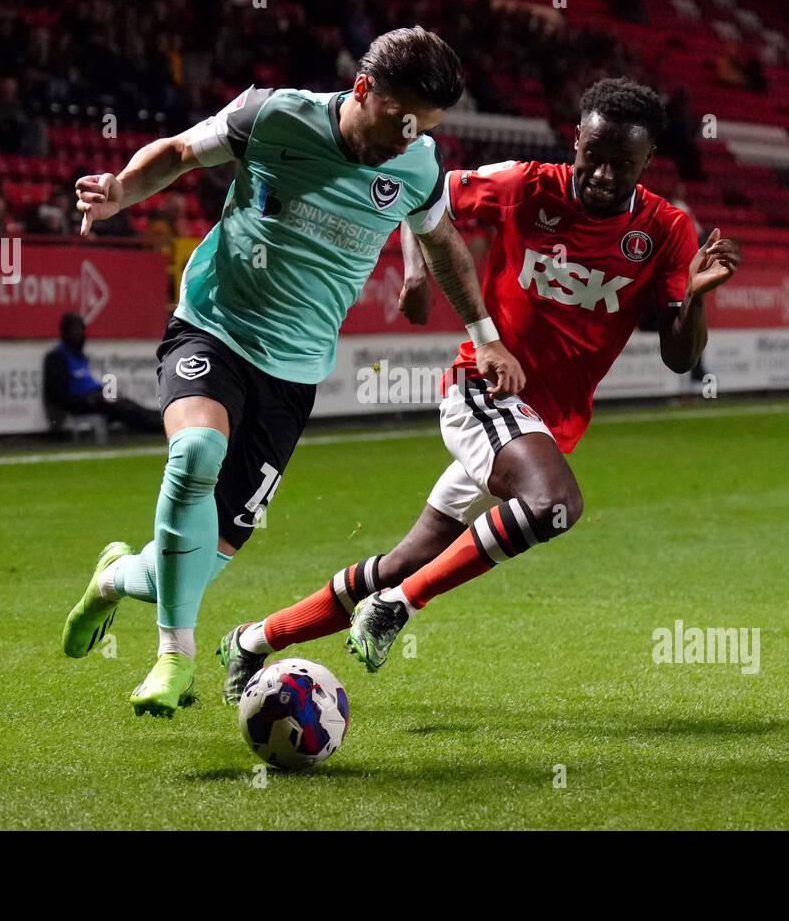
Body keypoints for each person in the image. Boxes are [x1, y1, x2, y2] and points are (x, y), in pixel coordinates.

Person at [199, 78, 741, 702]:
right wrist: (414, 272)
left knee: (405, 558)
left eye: (623, 164)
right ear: (577, 141)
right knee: (553, 503)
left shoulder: (666, 230)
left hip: (541, 425)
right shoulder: (524, 185)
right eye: (594, 156)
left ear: (648, 163)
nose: (602, 175)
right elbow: (420, 195)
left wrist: (695, 300)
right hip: (483, 392)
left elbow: (679, 357)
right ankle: (398, 607)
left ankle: (252, 640)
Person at [58, 27, 525, 719]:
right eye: (399, 120)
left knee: (175, 570)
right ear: (362, 89)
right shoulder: (275, 115)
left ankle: (112, 580)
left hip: (293, 372)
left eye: (421, 128)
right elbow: (183, 151)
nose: (407, 139)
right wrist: (122, 191)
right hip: (214, 326)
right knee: (195, 451)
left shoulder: (418, 164)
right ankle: (173, 657)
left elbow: (443, 241)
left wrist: (484, 334)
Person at [43, 312, 164, 434]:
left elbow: (87, 381)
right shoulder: (58, 356)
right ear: (65, 331)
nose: (77, 333)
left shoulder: (79, 355)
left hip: (95, 395)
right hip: (84, 401)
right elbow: (60, 393)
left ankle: (162, 418)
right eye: (74, 329)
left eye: (80, 329)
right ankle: (157, 426)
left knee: (126, 402)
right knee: (121, 408)